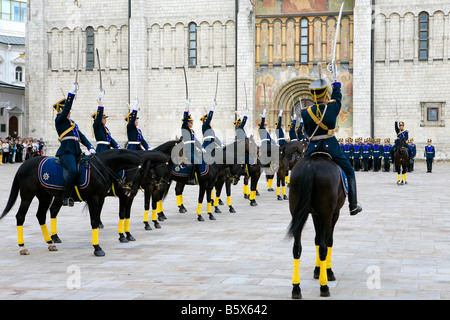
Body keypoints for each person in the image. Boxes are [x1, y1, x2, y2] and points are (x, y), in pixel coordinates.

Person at [301, 77, 362, 215]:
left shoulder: (305, 112)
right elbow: (337, 96)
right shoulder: (333, 106)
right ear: (325, 93)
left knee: (299, 169)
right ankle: (353, 206)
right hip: (331, 146)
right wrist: (336, 85)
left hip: (313, 148)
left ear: (312, 95)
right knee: (350, 171)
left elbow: (307, 132)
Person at [54, 83, 96, 206]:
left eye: (69, 111)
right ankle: (65, 197)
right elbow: (66, 108)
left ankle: (79, 192)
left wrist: (90, 146)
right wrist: (71, 94)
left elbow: (81, 136)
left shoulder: (72, 123)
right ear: (61, 111)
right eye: (67, 110)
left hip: (76, 150)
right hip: (66, 151)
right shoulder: (59, 120)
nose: (69, 112)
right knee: (72, 170)